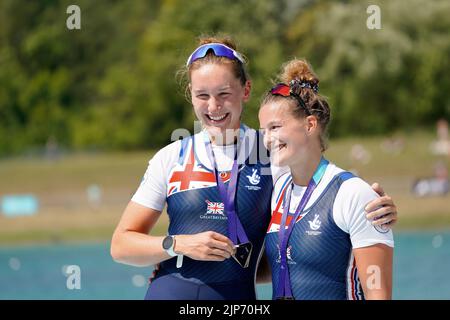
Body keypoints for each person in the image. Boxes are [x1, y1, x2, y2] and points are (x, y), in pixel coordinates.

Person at [110, 36, 397, 300]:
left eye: (224, 93)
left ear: (245, 90)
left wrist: (374, 208)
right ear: (190, 94)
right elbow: (121, 246)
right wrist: (176, 245)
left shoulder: (275, 152)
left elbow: (319, 215)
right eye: (202, 95)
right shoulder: (171, 156)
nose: (213, 106)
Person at [259, 58, 394, 300]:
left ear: (310, 124)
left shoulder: (353, 194)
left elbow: (379, 295)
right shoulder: (279, 190)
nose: (267, 139)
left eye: (275, 127)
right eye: (264, 131)